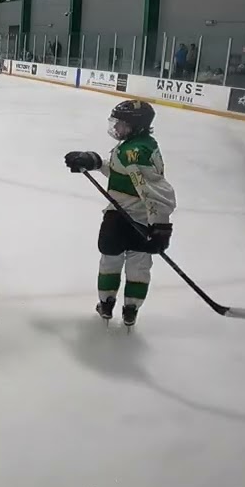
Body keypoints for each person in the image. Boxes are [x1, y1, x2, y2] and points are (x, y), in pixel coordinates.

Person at [63, 100, 176, 328]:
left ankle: (106, 303)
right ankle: (131, 309)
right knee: (139, 265)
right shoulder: (140, 145)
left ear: (136, 126)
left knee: (110, 260)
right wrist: (95, 162)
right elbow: (125, 175)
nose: (116, 127)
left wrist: (161, 227)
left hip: (123, 219)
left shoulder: (133, 153)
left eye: (121, 124)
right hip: (141, 220)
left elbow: (153, 191)